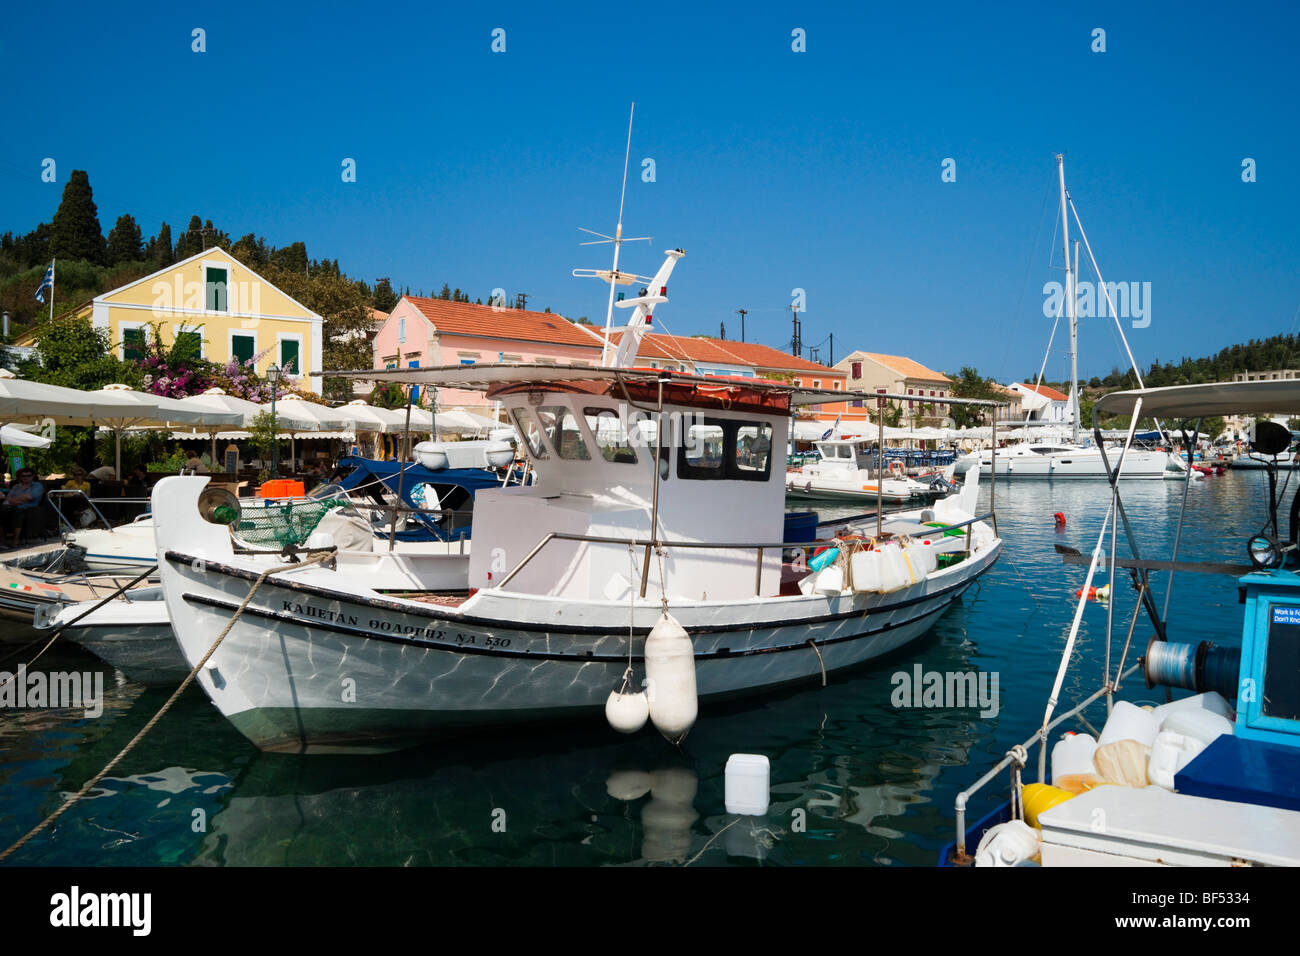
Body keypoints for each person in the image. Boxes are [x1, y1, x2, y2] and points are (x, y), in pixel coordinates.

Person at [2, 468, 46, 547]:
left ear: (33, 476)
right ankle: (2, 540)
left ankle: (16, 539)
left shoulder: (37, 485)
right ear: (20, 477)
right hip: (13, 506)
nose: (26, 477)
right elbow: (8, 498)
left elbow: (30, 497)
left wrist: (14, 500)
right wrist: (21, 500)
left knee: (18, 511)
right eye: (23, 476)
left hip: (30, 509)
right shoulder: (16, 487)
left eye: (28, 475)